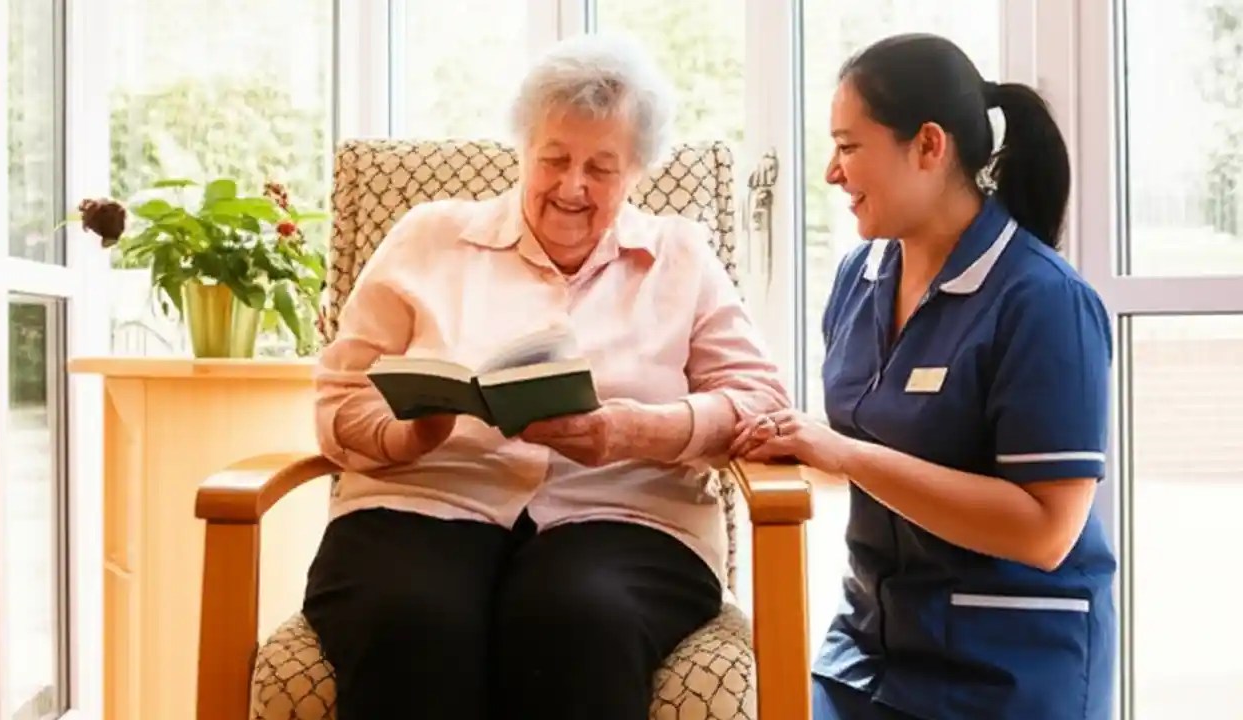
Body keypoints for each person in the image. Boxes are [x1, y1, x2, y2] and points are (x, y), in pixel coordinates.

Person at [306, 33, 789, 720]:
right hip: (422, 506)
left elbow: (763, 401)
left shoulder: (681, 257)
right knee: (413, 620)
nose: (572, 186)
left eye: (602, 167)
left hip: (623, 517)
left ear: (639, 171)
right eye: (554, 159)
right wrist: (406, 438)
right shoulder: (429, 237)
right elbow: (340, 399)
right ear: (523, 151)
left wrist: (635, 430)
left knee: (575, 619)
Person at [731, 33, 1116, 720]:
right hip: (871, 655)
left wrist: (842, 452)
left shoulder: (1044, 302)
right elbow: (877, 446)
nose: (831, 172)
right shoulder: (860, 279)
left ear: (929, 146)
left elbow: (1046, 530)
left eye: (850, 147)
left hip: (1008, 669)